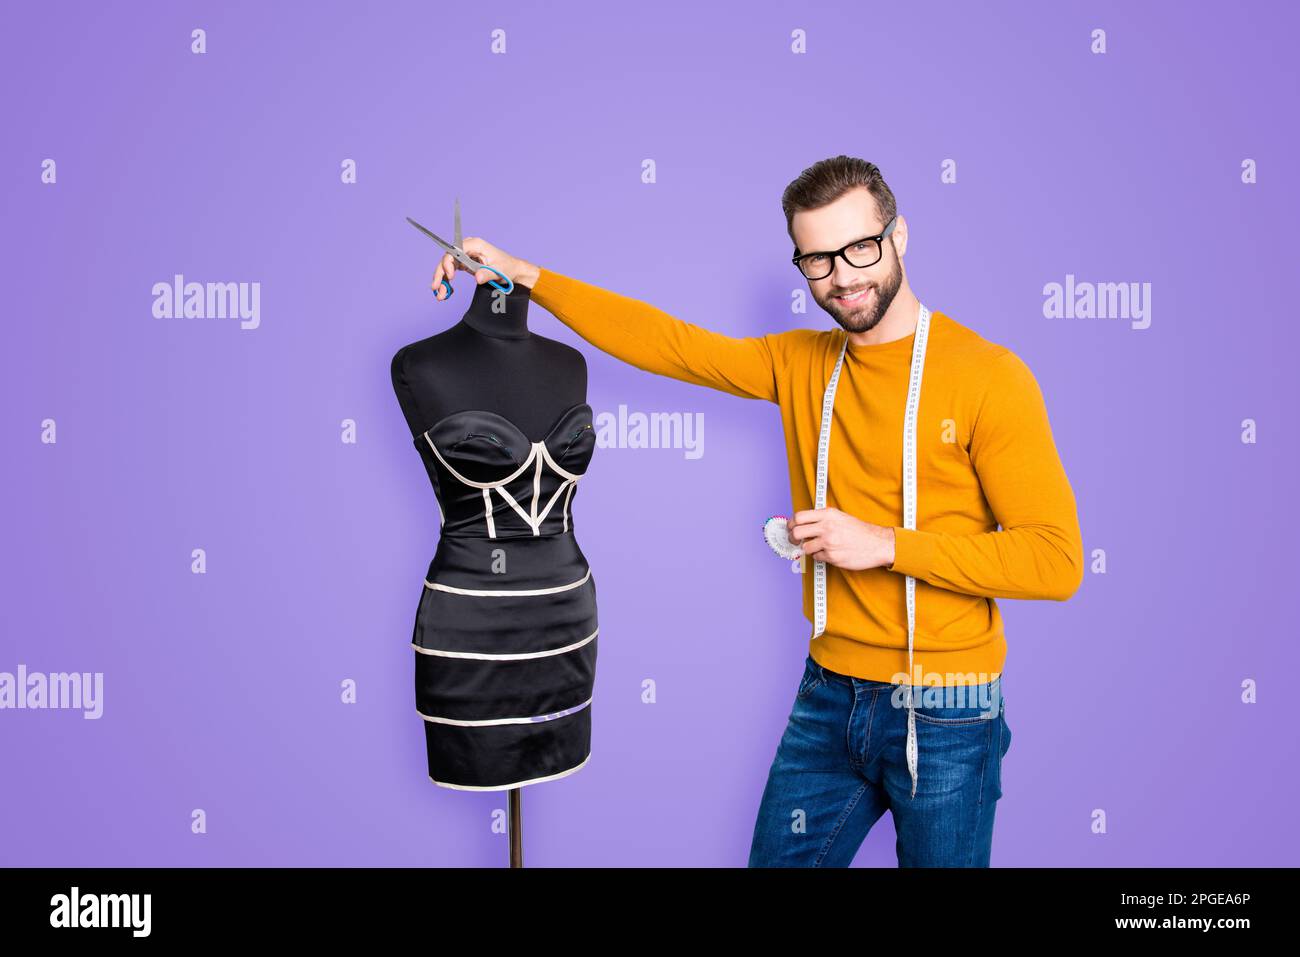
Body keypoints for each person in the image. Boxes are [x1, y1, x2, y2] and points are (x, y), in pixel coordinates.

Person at [426, 155, 1085, 866]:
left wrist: (887, 544)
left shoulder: (990, 377)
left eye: (860, 248)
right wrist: (526, 275)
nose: (842, 276)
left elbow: (1055, 561)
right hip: (829, 692)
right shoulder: (798, 361)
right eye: (818, 259)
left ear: (898, 237)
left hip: (950, 705)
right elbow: (669, 344)